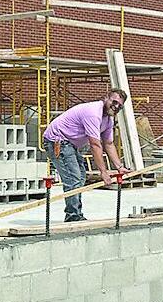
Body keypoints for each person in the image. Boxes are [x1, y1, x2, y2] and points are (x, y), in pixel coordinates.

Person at [43, 89, 132, 222]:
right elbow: (95, 145)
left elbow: (108, 143)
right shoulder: (93, 113)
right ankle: (73, 216)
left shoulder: (108, 120)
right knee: (73, 179)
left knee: (80, 177)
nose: (116, 106)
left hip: (70, 144)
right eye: (114, 102)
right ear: (106, 98)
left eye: (120, 105)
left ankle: (75, 213)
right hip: (56, 141)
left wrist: (119, 167)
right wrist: (103, 172)